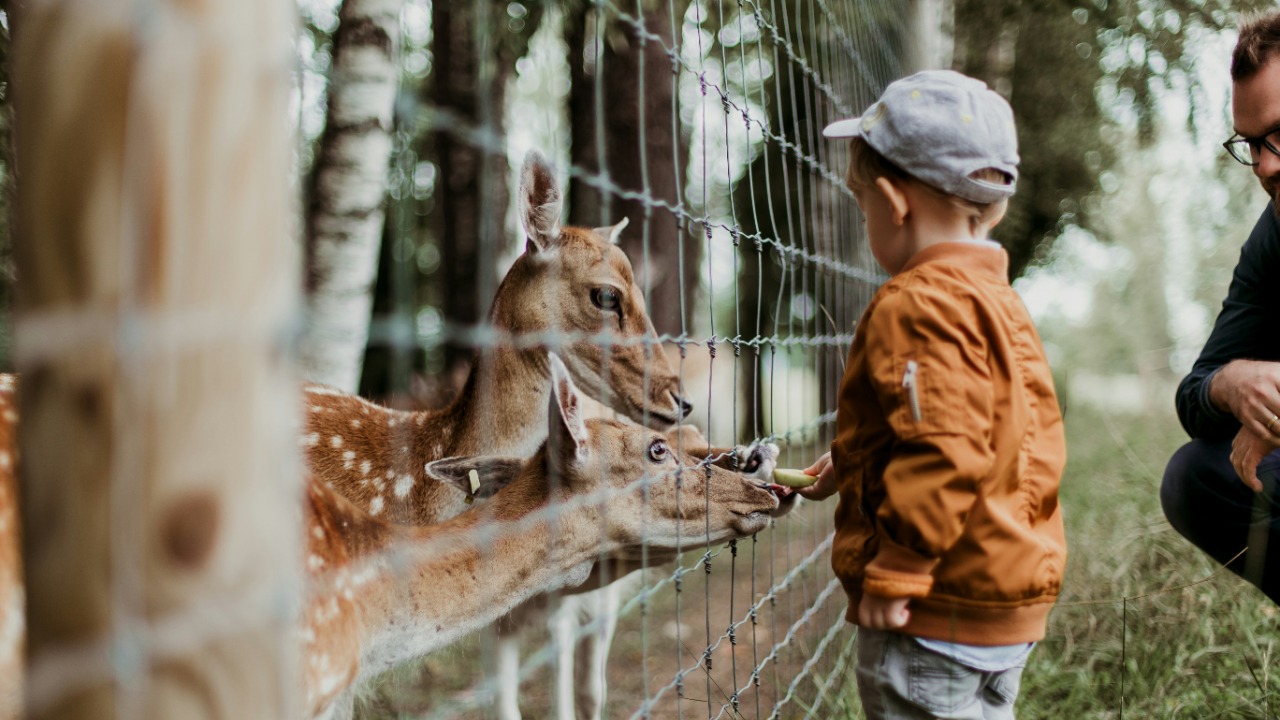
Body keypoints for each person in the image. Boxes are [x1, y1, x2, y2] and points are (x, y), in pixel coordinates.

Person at [795, 70, 1067, 719]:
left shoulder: (916, 305)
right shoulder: (1000, 303)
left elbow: (946, 447)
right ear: (995, 207)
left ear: (893, 202)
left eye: (862, 207)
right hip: (1001, 607)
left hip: (931, 613)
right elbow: (989, 429)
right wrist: (855, 461)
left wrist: (899, 567)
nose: (869, 222)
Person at [1160, 10, 1280, 602]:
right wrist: (1233, 384)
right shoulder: (1275, 235)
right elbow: (1194, 392)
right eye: (1252, 145)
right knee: (1194, 477)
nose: (1265, 166)